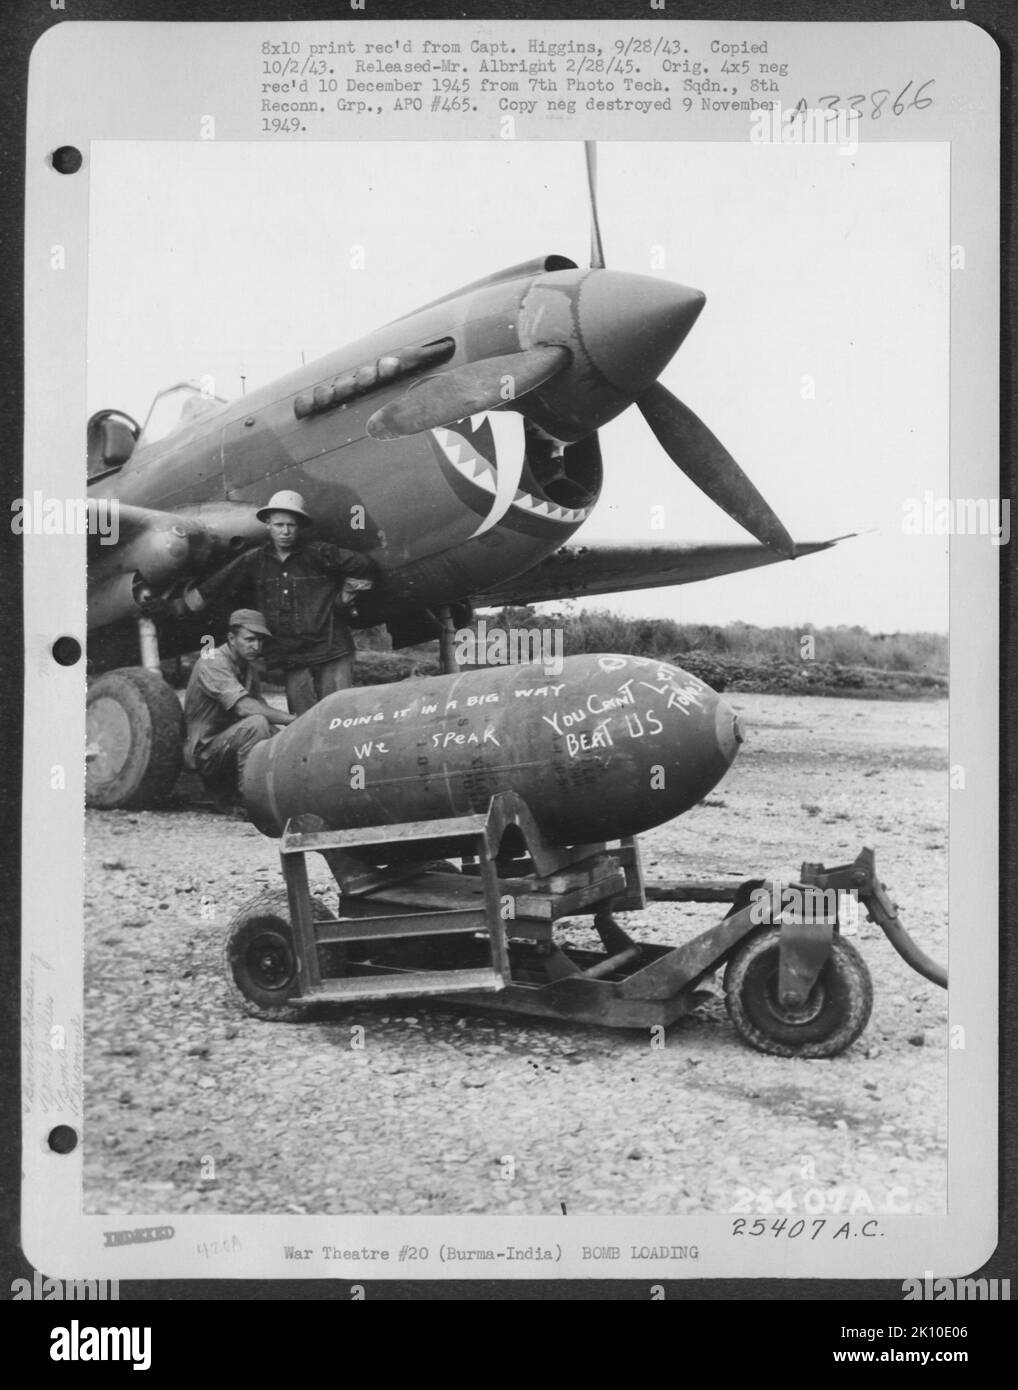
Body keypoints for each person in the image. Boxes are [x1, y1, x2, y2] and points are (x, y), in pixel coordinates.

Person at [178, 490, 376, 716]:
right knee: (302, 722)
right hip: (292, 656)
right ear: (267, 525)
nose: (285, 531)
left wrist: (344, 599)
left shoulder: (319, 553)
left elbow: (363, 566)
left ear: (299, 526)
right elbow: (216, 586)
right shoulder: (255, 560)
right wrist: (180, 604)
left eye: (291, 525)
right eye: (279, 525)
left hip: (332, 649)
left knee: (340, 715)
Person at [183, 609, 295, 812]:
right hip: (204, 754)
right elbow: (245, 708)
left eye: (260, 641)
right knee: (256, 724)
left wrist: (288, 736)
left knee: (276, 735)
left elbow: (261, 708)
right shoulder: (212, 660)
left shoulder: (248, 667)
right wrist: (293, 720)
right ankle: (251, 802)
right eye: (250, 639)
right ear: (231, 638)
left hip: (226, 746)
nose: (256, 646)